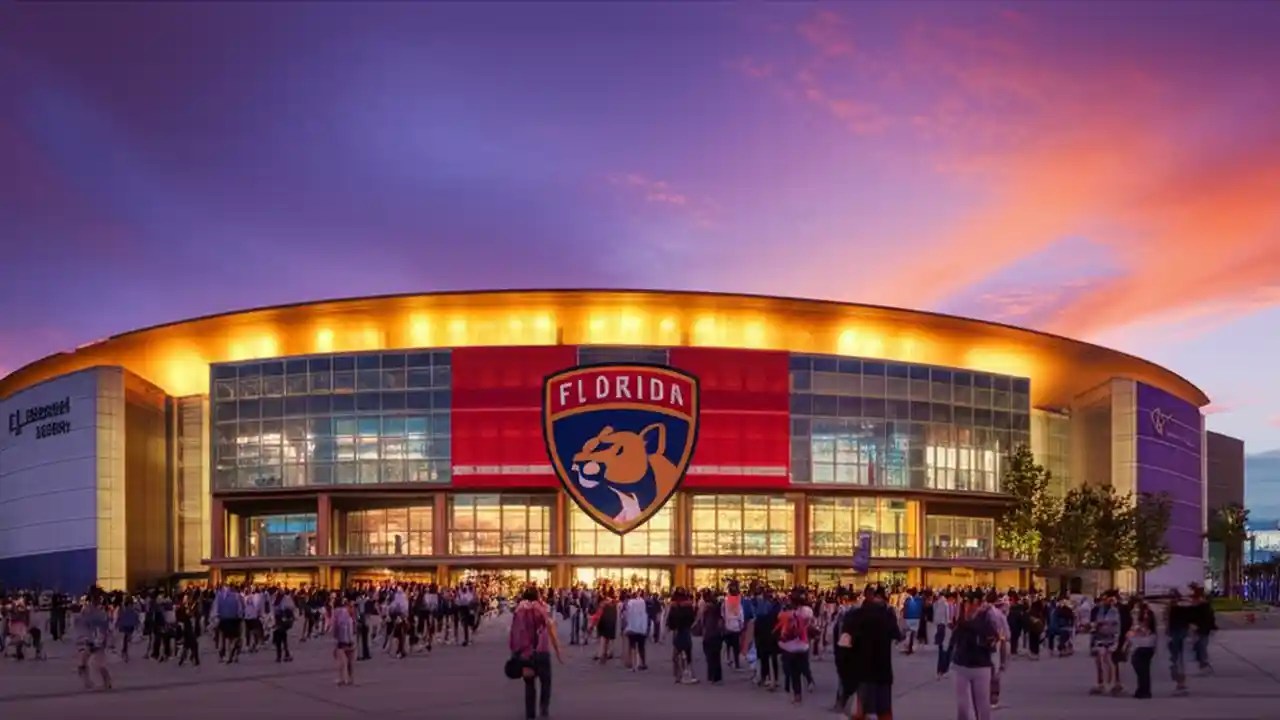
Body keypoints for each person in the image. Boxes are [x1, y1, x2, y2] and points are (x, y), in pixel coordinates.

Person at [847, 587, 903, 720]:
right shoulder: (888, 614)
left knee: (863, 711)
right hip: (883, 669)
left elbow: (849, 641)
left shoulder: (858, 614)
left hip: (864, 670)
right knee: (884, 711)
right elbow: (897, 634)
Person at [509, 587, 563, 720]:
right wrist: (558, 650)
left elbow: (515, 634)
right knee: (546, 681)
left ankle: (530, 713)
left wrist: (515, 653)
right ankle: (544, 708)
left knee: (529, 684)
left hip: (526, 653)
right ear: (538, 596)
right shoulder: (542, 608)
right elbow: (550, 628)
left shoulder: (518, 611)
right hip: (542, 650)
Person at [949, 593, 998, 720]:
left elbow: (994, 639)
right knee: (962, 706)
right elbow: (953, 641)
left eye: (973, 604)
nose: (970, 607)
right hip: (961, 666)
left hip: (981, 666)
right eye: (967, 604)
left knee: (983, 705)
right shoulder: (960, 621)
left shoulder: (986, 620)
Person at [74, 590, 113, 691]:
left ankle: (106, 682)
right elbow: (83, 625)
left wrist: (105, 639)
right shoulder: (88, 611)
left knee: (98, 664)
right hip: (91, 640)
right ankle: (89, 681)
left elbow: (105, 628)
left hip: (97, 640)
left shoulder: (100, 613)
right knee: (84, 662)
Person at [1126, 601, 1158, 699]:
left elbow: (1143, 630)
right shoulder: (1148, 616)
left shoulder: (1146, 616)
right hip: (1148, 646)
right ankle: (1144, 690)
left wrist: (1136, 631)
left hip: (1144, 645)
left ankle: (1143, 690)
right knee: (1144, 670)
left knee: (1141, 668)